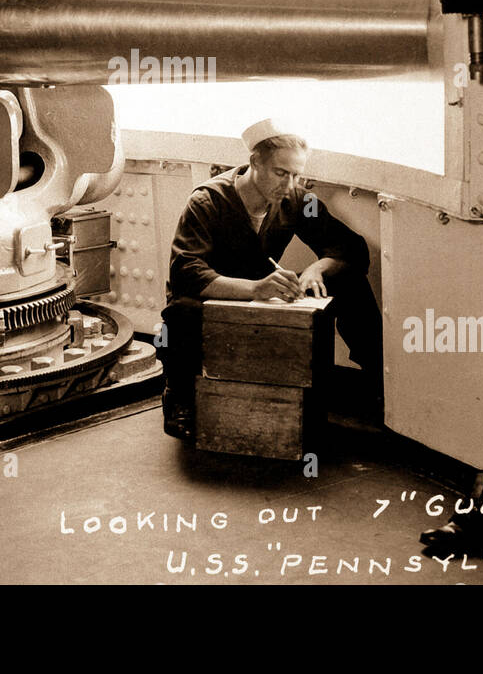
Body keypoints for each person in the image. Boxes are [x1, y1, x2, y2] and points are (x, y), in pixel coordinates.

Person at [159, 118, 382, 440]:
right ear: (254, 163)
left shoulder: (295, 201)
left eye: (296, 175)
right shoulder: (207, 202)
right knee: (182, 310)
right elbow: (187, 273)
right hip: (215, 292)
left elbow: (350, 249)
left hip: (264, 291)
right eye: (281, 173)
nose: (289, 184)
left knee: (348, 281)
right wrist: (255, 288)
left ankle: (377, 382)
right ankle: (178, 397)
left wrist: (316, 269)